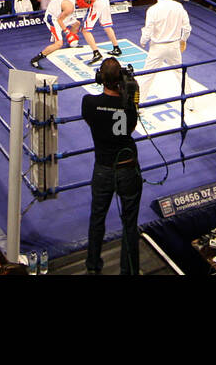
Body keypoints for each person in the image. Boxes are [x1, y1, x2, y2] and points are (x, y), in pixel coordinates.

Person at [81, 57, 141, 275]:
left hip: (103, 168)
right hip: (127, 168)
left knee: (97, 219)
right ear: (121, 80)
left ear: (100, 78)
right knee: (130, 223)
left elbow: (91, 122)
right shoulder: (128, 108)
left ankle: (93, 267)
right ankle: (129, 271)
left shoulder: (88, 102)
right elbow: (130, 129)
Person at [137, 0, 192, 106]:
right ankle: (190, 102)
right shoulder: (178, 6)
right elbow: (187, 28)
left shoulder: (153, 10)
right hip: (174, 45)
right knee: (180, 73)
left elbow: (148, 29)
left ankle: (139, 105)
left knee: (147, 75)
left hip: (158, 47)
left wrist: (143, 41)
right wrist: (183, 40)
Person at [28, 0, 82, 69]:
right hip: (53, 19)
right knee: (58, 44)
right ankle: (36, 59)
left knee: (76, 23)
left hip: (59, 13)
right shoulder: (70, 7)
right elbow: (59, 20)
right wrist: (67, 32)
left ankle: (72, 43)